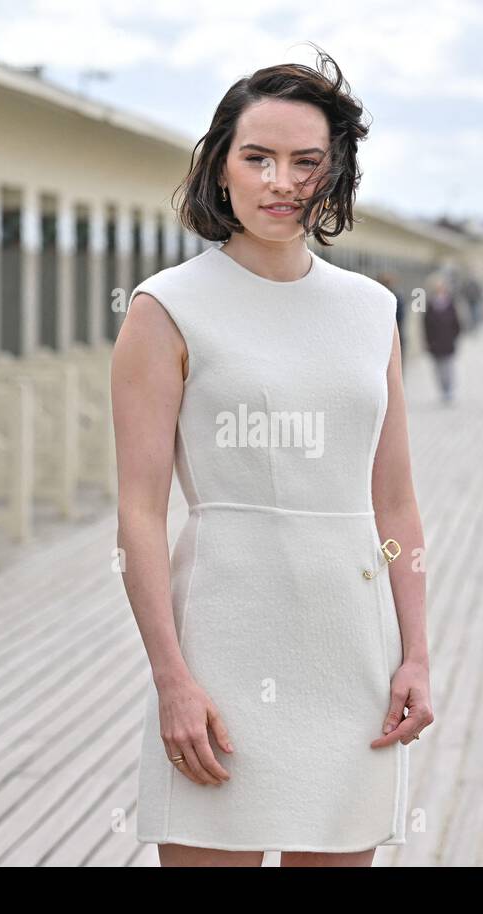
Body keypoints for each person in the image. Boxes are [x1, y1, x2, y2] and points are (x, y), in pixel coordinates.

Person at [112, 47, 432, 869]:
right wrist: (172, 680)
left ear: (335, 176)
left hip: (349, 653)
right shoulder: (166, 308)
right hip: (221, 650)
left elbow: (394, 505)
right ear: (221, 168)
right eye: (257, 158)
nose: (280, 181)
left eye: (306, 162)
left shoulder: (371, 312)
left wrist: (416, 654)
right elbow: (141, 513)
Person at [423, 274, 462, 404]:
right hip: (435, 342)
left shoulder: (450, 303)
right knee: (438, 369)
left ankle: (449, 390)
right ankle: (443, 389)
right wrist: (427, 341)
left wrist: (454, 336)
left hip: (448, 341)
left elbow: (457, 323)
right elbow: (426, 324)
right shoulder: (430, 304)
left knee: (448, 367)